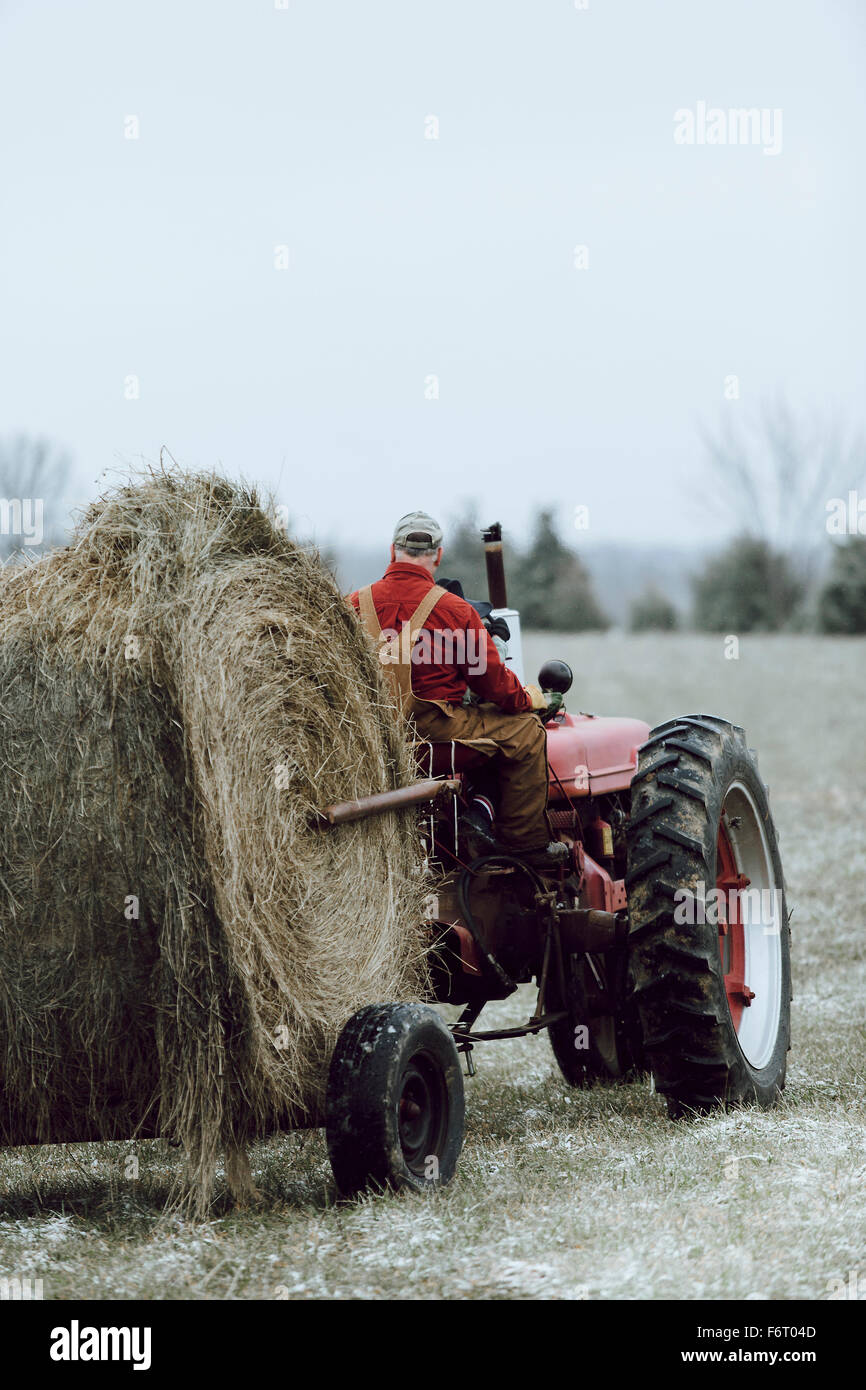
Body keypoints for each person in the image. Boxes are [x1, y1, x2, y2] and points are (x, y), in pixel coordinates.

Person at [347, 510, 568, 871]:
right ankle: (525, 848)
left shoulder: (353, 605)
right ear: (438, 555)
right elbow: (495, 686)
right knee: (525, 732)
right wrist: (529, 698)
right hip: (433, 739)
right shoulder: (456, 610)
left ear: (392, 551)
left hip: (372, 744)